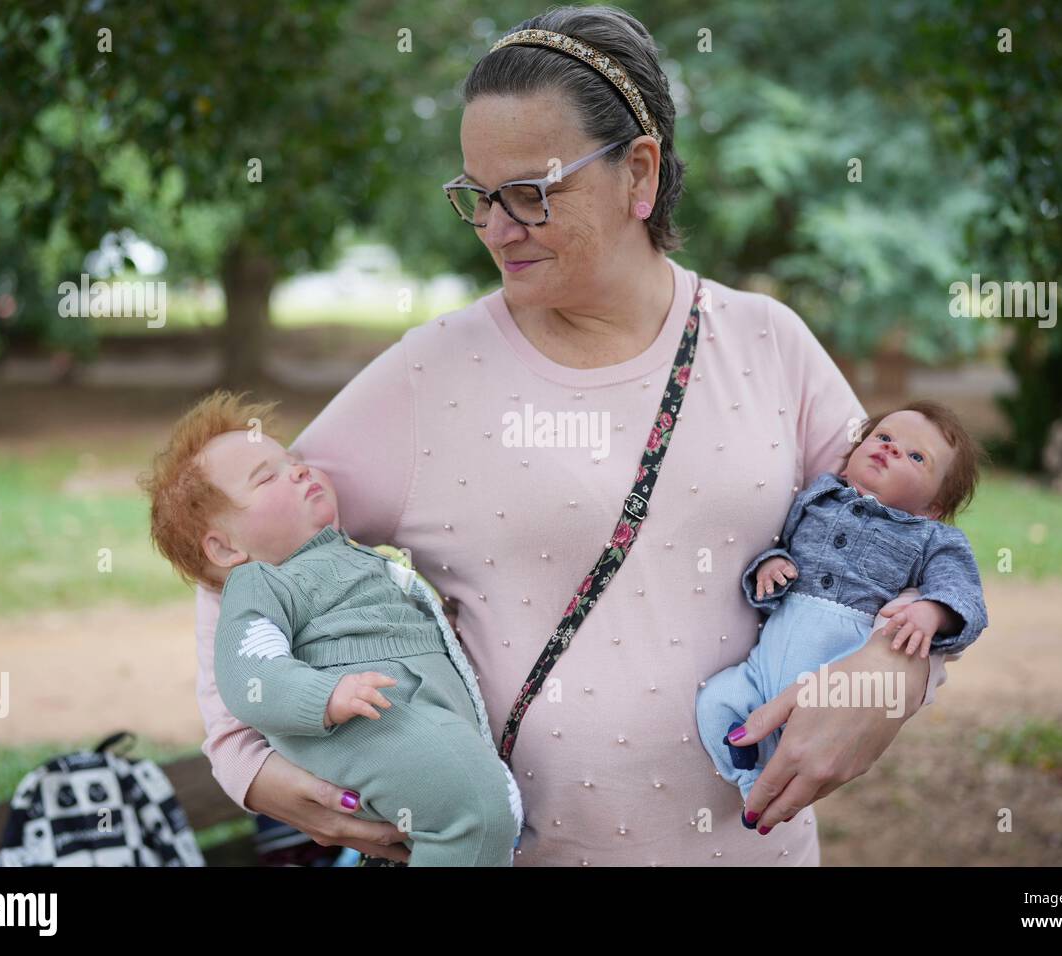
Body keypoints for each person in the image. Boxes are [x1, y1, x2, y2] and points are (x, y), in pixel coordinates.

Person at [194, 5, 960, 865]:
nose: (495, 228)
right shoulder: (428, 376)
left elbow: (919, 544)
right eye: (477, 198)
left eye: (530, 193)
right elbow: (242, 561)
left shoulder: (769, 345)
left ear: (639, 173)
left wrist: (895, 678)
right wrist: (248, 765)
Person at [142, 392, 523, 865]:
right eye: (267, 477)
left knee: (481, 812)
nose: (299, 471)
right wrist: (321, 697)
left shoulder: (354, 556)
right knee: (476, 813)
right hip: (358, 723)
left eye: (294, 462)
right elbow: (248, 675)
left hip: (408, 713)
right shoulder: (258, 583)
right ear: (224, 550)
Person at [697, 402, 989, 806]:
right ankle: (747, 776)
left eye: (916, 456)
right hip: (765, 664)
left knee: (808, 738)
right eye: (884, 437)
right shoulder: (819, 496)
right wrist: (771, 566)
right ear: (852, 455)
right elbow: (783, 545)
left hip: (840, 664)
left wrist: (932, 611)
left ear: (932, 507)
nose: (891, 449)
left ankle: (770, 779)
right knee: (715, 700)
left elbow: (966, 598)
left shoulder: (932, 538)